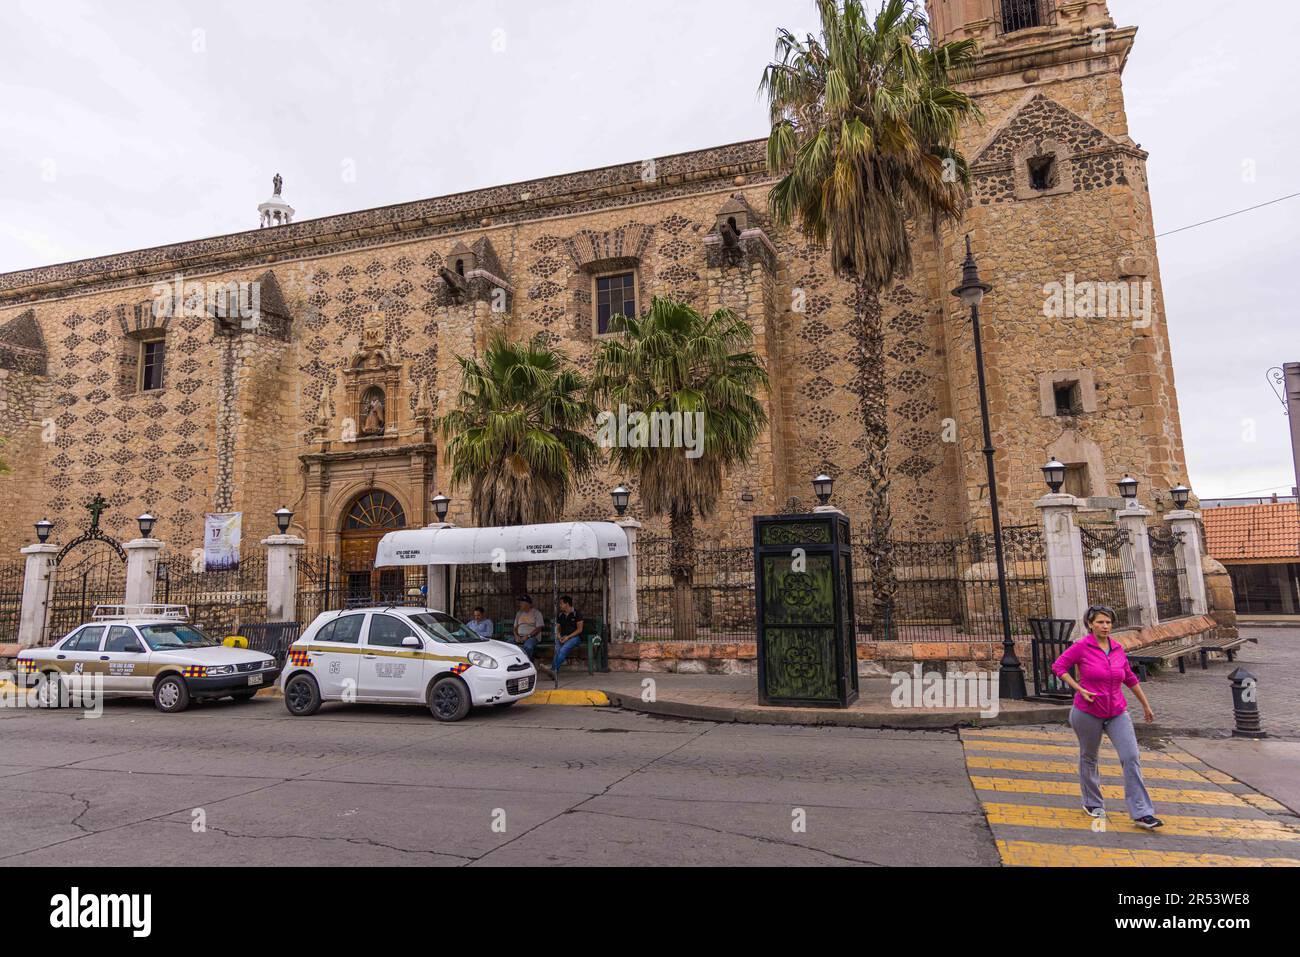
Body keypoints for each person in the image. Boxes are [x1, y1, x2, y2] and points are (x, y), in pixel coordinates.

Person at [1051, 604, 1164, 829]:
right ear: (1090, 624)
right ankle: (1092, 802)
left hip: (1117, 712)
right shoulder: (1081, 647)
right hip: (1087, 712)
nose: (1105, 626)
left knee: (1131, 756)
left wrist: (1146, 706)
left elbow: (1129, 678)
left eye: (1108, 622)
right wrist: (1079, 688)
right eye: (1100, 622)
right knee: (1089, 757)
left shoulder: (1117, 649)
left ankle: (1142, 812)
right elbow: (1059, 666)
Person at [548, 595, 585, 687]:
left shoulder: (577, 614)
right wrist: (559, 635)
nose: (560, 605)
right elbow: (558, 627)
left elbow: (579, 630)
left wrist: (568, 637)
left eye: (561, 603)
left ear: (567, 604)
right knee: (557, 649)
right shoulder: (561, 615)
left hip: (575, 637)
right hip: (564, 637)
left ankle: (553, 669)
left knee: (563, 649)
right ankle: (554, 671)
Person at [512, 595, 547, 669]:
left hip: (532, 637)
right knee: (507, 645)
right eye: (520, 602)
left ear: (528, 604)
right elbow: (515, 627)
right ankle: (513, 665)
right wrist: (516, 636)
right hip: (519, 636)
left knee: (528, 647)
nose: (520, 604)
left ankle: (526, 666)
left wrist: (528, 636)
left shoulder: (536, 613)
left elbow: (539, 628)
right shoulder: (519, 613)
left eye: (522, 602)